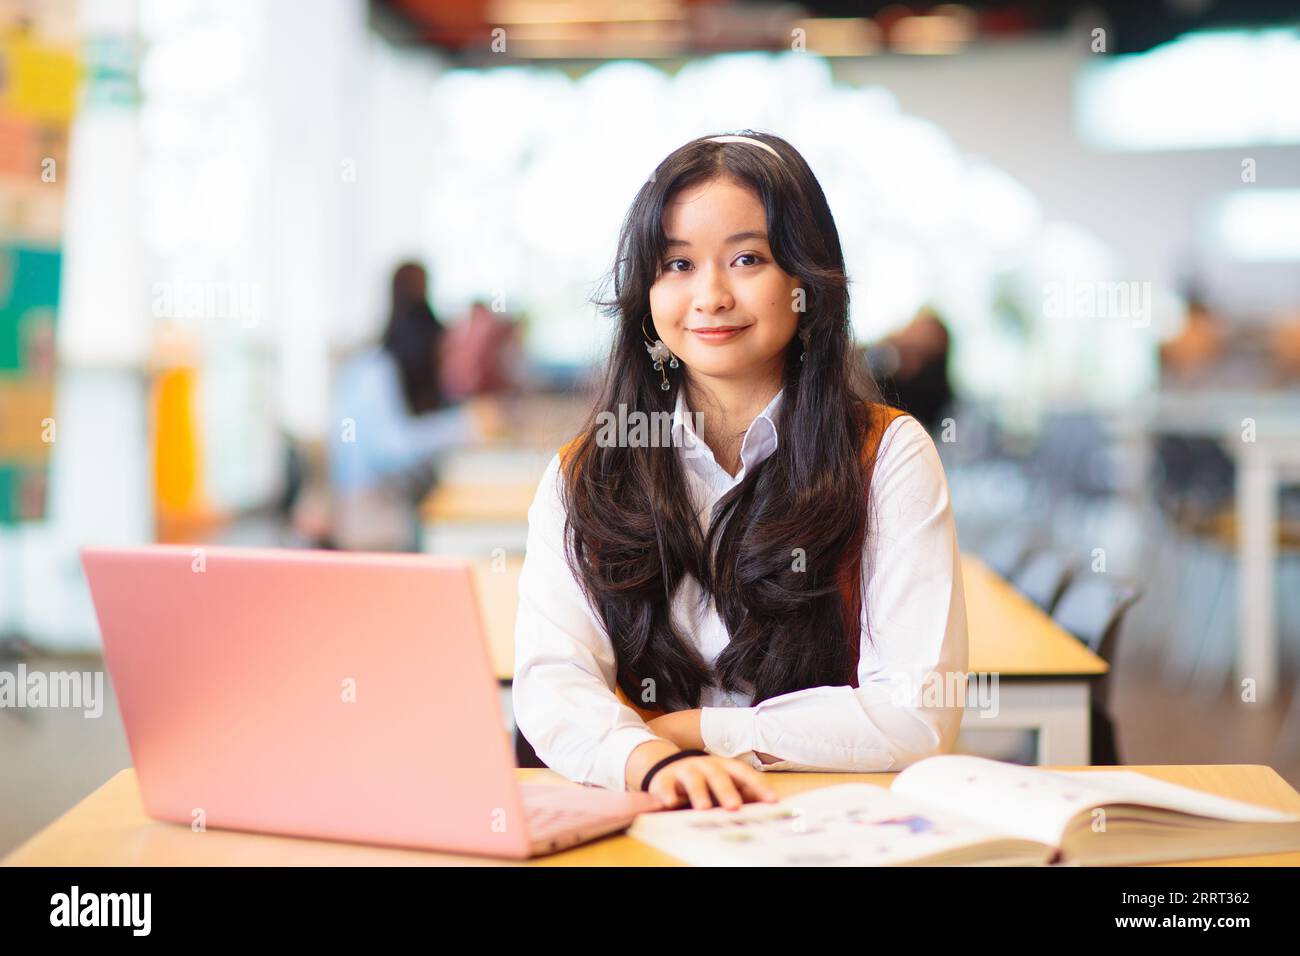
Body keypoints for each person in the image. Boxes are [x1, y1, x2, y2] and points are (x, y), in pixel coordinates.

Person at [512, 131, 968, 812]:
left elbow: (916, 716)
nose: (711, 295)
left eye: (747, 258)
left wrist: (703, 732)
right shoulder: (585, 475)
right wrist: (650, 761)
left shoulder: (886, 455)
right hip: (647, 821)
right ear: (645, 291)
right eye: (677, 265)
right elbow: (553, 684)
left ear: (806, 282)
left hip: (828, 830)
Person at [327, 263, 500, 552]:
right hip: (371, 523)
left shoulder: (382, 367)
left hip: (389, 514)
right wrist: (462, 426)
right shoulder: (374, 372)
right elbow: (392, 448)